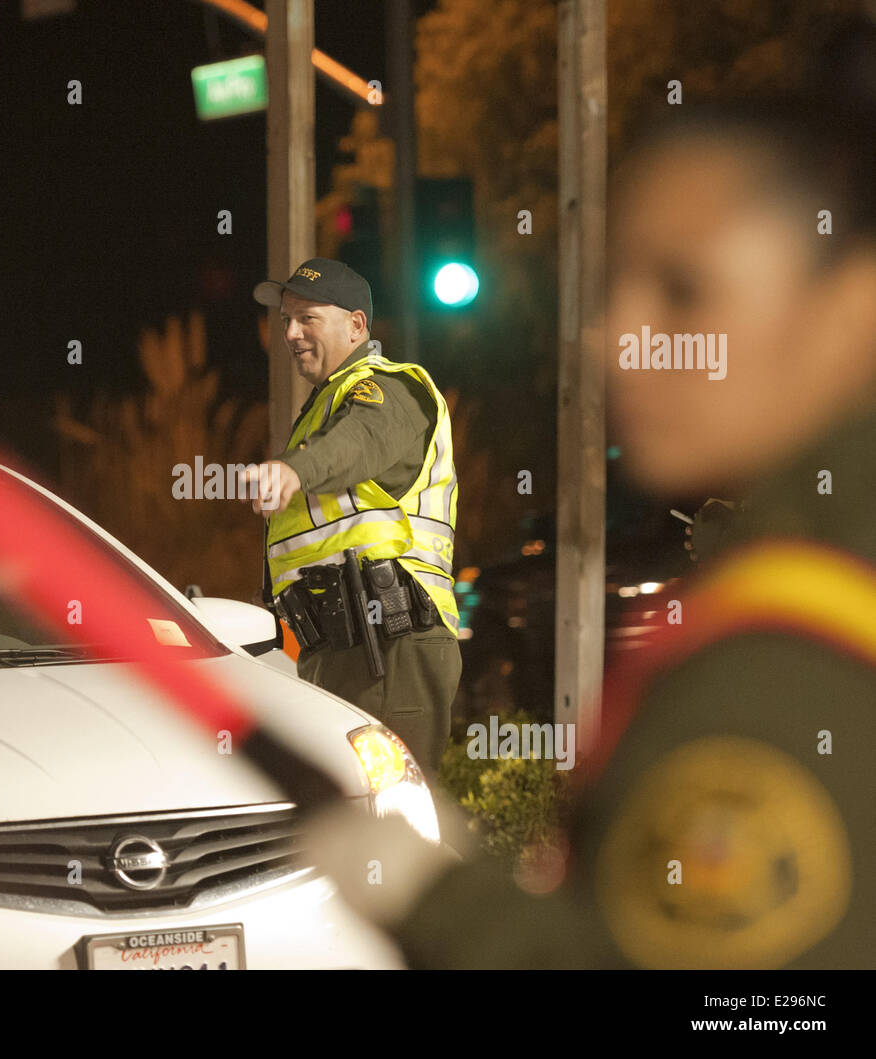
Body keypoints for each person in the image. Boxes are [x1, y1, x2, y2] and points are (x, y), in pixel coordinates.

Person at [318, 19, 876, 969]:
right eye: (614, 288)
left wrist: (439, 900)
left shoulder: (781, 673)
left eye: (684, 289)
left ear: (853, 306)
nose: (617, 339)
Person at [239, 257, 462, 775]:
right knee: (352, 830)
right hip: (339, 650)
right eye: (286, 320)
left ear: (356, 325)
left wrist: (295, 470)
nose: (291, 333)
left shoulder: (387, 388)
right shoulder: (320, 410)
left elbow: (362, 441)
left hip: (393, 645)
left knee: (391, 826)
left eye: (307, 318)